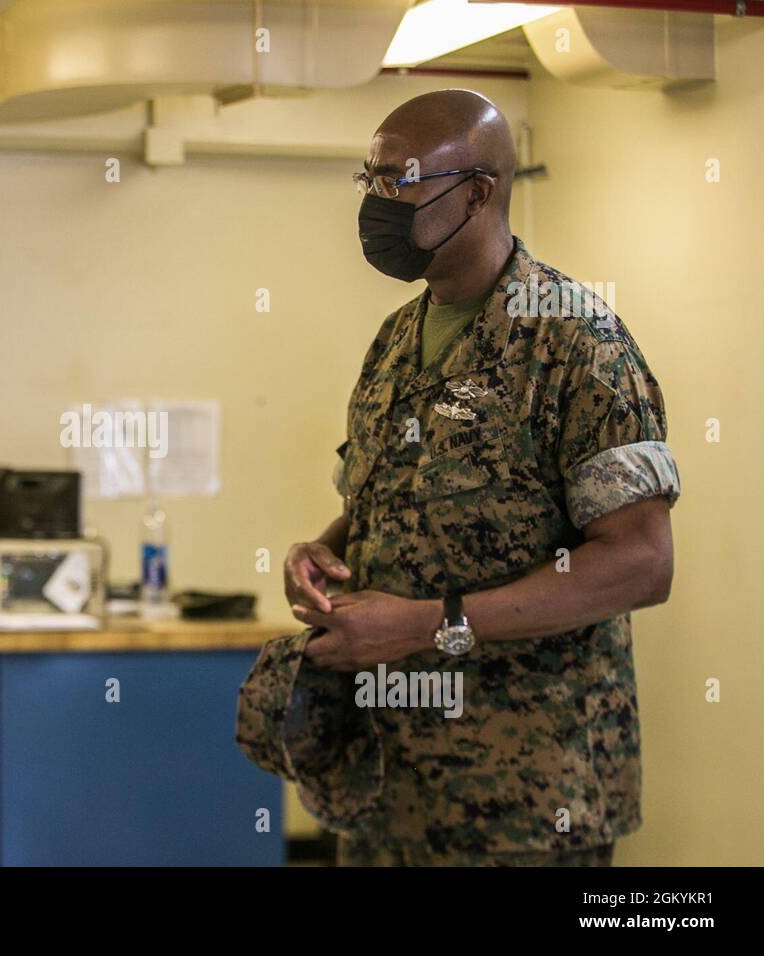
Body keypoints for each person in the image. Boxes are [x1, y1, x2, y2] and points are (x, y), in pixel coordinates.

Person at [281, 90, 680, 866]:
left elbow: (641, 562)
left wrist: (429, 621)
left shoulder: (576, 341)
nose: (376, 202)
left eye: (398, 179)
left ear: (476, 191)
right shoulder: (395, 340)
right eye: (367, 180)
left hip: (525, 803)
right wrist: (321, 555)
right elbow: (377, 504)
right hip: (387, 788)